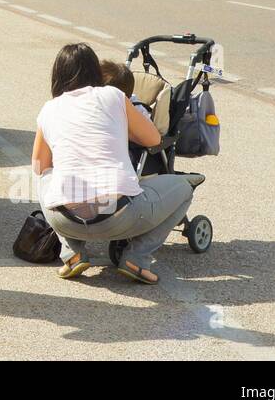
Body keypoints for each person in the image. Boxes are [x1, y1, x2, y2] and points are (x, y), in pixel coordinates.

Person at [32, 43, 194, 285]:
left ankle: (72, 252)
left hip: (65, 220)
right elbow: (153, 139)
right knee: (185, 188)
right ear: (95, 72)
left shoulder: (49, 108)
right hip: (120, 217)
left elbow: (39, 165)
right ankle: (136, 258)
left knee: (43, 177)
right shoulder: (113, 96)